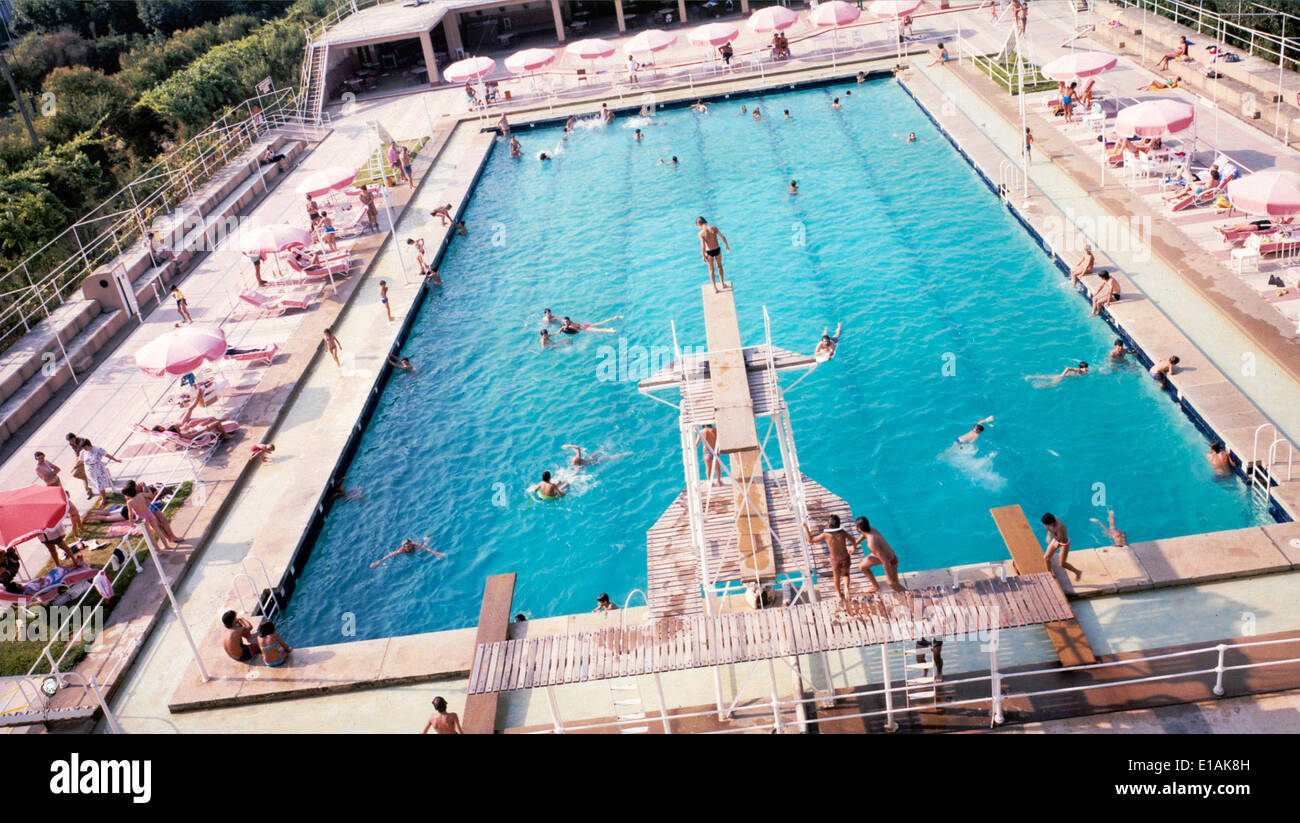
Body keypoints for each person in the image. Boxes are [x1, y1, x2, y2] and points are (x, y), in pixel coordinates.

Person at [804, 515, 854, 605]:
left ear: (829, 525)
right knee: (846, 574)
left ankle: (838, 593)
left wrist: (805, 528)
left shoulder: (826, 535)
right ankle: (846, 588)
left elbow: (810, 540)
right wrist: (853, 548)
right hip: (845, 558)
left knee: (836, 576)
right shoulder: (843, 532)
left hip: (835, 560)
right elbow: (853, 540)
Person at [853, 516, 905, 594]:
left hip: (890, 560)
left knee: (893, 584)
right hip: (881, 556)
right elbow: (863, 535)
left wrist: (889, 579)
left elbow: (885, 562)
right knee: (862, 567)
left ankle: (908, 593)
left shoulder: (871, 544)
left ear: (859, 529)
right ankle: (876, 587)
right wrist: (854, 545)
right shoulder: (871, 529)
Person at [34, 451, 81, 537]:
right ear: (36, 459)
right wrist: (53, 473)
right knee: (64, 503)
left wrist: (52, 473)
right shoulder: (38, 468)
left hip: (57, 482)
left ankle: (77, 523)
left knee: (66, 500)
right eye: (39, 458)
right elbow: (47, 478)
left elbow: (57, 469)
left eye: (42, 457)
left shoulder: (46, 462)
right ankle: (69, 519)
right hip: (52, 485)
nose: (42, 459)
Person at [124, 479, 179, 548]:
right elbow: (145, 497)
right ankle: (169, 539)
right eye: (135, 484)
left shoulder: (138, 489)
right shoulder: (130, 495)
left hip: (150, 506)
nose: (137, 485)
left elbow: (150, 496)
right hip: (146, 510)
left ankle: (172, 537)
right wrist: (144, 488)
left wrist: (145, 487)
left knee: (163, 520)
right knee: (158, 525)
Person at [1041, 513, 1081, 581]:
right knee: (1046, 558)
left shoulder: (1060, 526)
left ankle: (1077, 572)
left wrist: (1050, 530)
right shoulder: (1051, 523)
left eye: (1046, 525)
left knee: (1062, 564)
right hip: (1057, 541)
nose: (1045, 526)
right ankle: (1050, 573)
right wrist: (1048, 535)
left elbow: (1059, 539)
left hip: (1064, 544)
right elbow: (1050, 530)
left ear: (1051, 523)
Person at [697, 216, 731, 292]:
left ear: (699, 224)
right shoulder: (714, 228)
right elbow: (722, 237)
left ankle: (715, 288)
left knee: (711, 270)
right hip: (717, 249)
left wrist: (703, 255)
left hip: (709, 252)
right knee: (719, 266)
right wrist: (727, 245)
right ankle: (722, 284)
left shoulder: (701, 233)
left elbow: (703, 246)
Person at [371, 538, 445, 568]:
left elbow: (426, 549)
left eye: (409, 545)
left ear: (411, 543)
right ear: (404, 546)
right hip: (408, 553)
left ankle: (426, 538)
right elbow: (388, 555)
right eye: (406, 545)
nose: (408, 546)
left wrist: (436, 553)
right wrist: (378, 562)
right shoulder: (401, 550)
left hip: (417, 548)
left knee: (427, 542)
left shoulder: (415, 545)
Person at [65, 433, 93, 499]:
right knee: (78, 474)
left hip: (86, 456)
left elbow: (85, 450)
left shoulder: (81, 441)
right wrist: (77, 459)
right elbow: (76, 453)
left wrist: (76, 465)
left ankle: (89, 490)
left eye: (72, 440)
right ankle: (89, 489)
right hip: (79, 457)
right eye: (69, 441)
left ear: (75, 437)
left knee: (78, 473)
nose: (71, 442)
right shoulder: (71, 444)